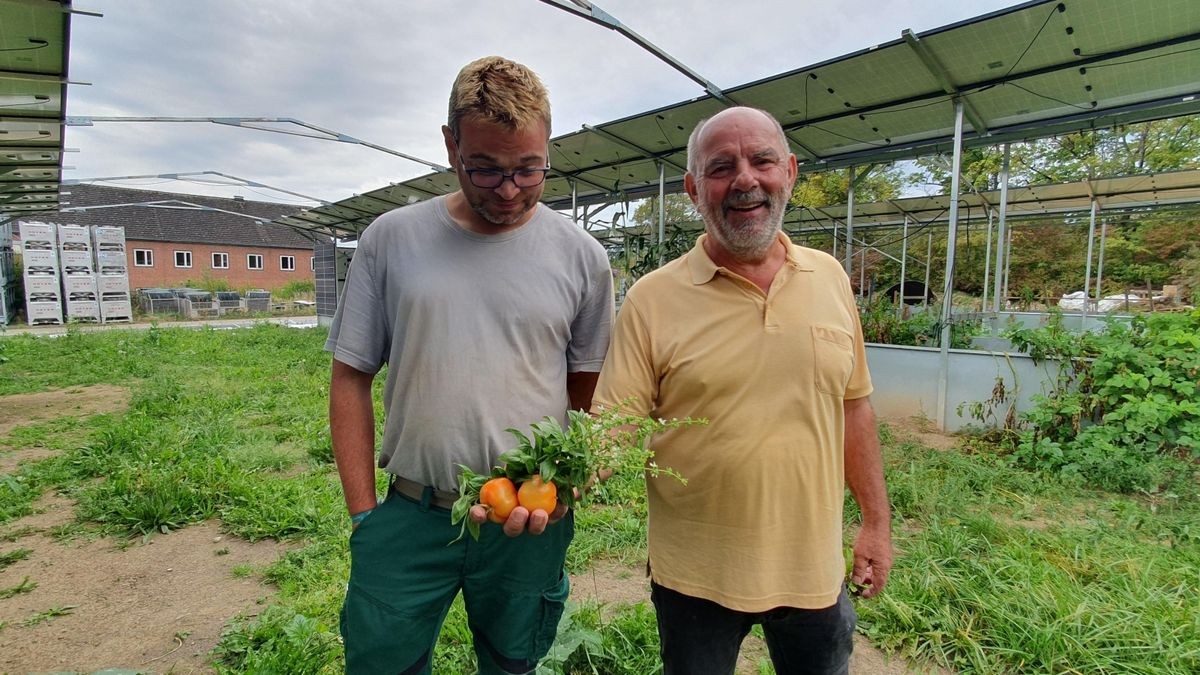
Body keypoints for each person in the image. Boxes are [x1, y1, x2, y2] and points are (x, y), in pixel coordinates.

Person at [326, 56, 614, 675]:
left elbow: (587, 395)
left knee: (514, 664)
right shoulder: (391, 239)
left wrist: (572, 485)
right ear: (450, 144)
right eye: (484, 168)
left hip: (526, 523)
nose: (509, 190)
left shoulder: (582, 257)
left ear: (547, 148)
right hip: (410, 516)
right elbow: (351, 375)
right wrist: (363, 514)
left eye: (528, 169)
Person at [591, 106, 892, 675]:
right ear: (693, 189)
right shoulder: (653, 299)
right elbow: (616, 424)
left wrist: (875, 522)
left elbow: (854, 405)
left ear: (791, 172)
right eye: (722, 167)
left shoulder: (829, 278)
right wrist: (555, 480)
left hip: (813, 572)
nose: (745, 179)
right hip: (695, 577)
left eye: (762, 160)